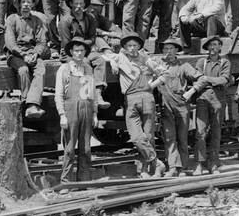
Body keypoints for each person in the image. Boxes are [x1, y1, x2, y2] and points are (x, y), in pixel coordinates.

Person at [108, 32, 163, 178]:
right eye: (129, 46)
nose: (132, 48)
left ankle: (146, 170)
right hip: (130, 98)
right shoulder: (120, 58)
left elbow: (164, 73)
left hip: (147, 97)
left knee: (149, 135)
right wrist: (113, 62)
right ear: (125, 47)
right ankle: (156, 162)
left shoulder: (146, 59)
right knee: (137, 137)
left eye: (135, 45)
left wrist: (152, 85)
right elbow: (104, 56)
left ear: (139, 46)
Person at [151, 36, 199, 176]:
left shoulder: (184, 66)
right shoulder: (159, 68)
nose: (168, 51)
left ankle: (183, 167)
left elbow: (200, 78)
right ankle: (173, 168)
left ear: (177, 50)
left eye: (172, 48)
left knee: (182, 138)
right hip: (166, 107)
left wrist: (192, 90)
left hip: (182, 106)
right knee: (169, 138)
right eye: (166, 48)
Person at [56, 37, 98, 183]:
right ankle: (66, 181)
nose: (79, 54)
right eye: (76, 51)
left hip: (86, 109)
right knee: (69, 148)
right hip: (71, 109)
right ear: (71, 53)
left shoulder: (88, 68)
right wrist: (62, 115)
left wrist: (94, 113)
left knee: (86, 148)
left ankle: (84, 180)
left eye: (81, 51)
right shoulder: (64, 69)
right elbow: (59, 95)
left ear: (85, 52)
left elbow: (92, 94)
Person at [3, 0, 49, 119]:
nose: (26, 5)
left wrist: (36, 53)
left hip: (32, 52)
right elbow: (10, 43)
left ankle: (32, 105)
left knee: (40, 70)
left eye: (29, 2)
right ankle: (26, 103)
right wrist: (23, 56)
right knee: (23, 70)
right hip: (15, 54)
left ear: (33, 4)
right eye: (23, 2)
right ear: (18, 5)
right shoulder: (12, 19)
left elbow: (42, 41)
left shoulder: (37, 20)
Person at [191, 35, 232, 174]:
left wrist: (207, 79)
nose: (213, 47)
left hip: (218, 100)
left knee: (216, 133)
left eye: (216, 44)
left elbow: (224, 80)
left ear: (220, 47)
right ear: (207, 48)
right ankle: (199, 164)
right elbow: (196, 80)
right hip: (202, 98)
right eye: (210, 45)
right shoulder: (201, 62)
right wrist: (208, 81)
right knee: (200, 132)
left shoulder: (224, 62)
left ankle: (214, 163)